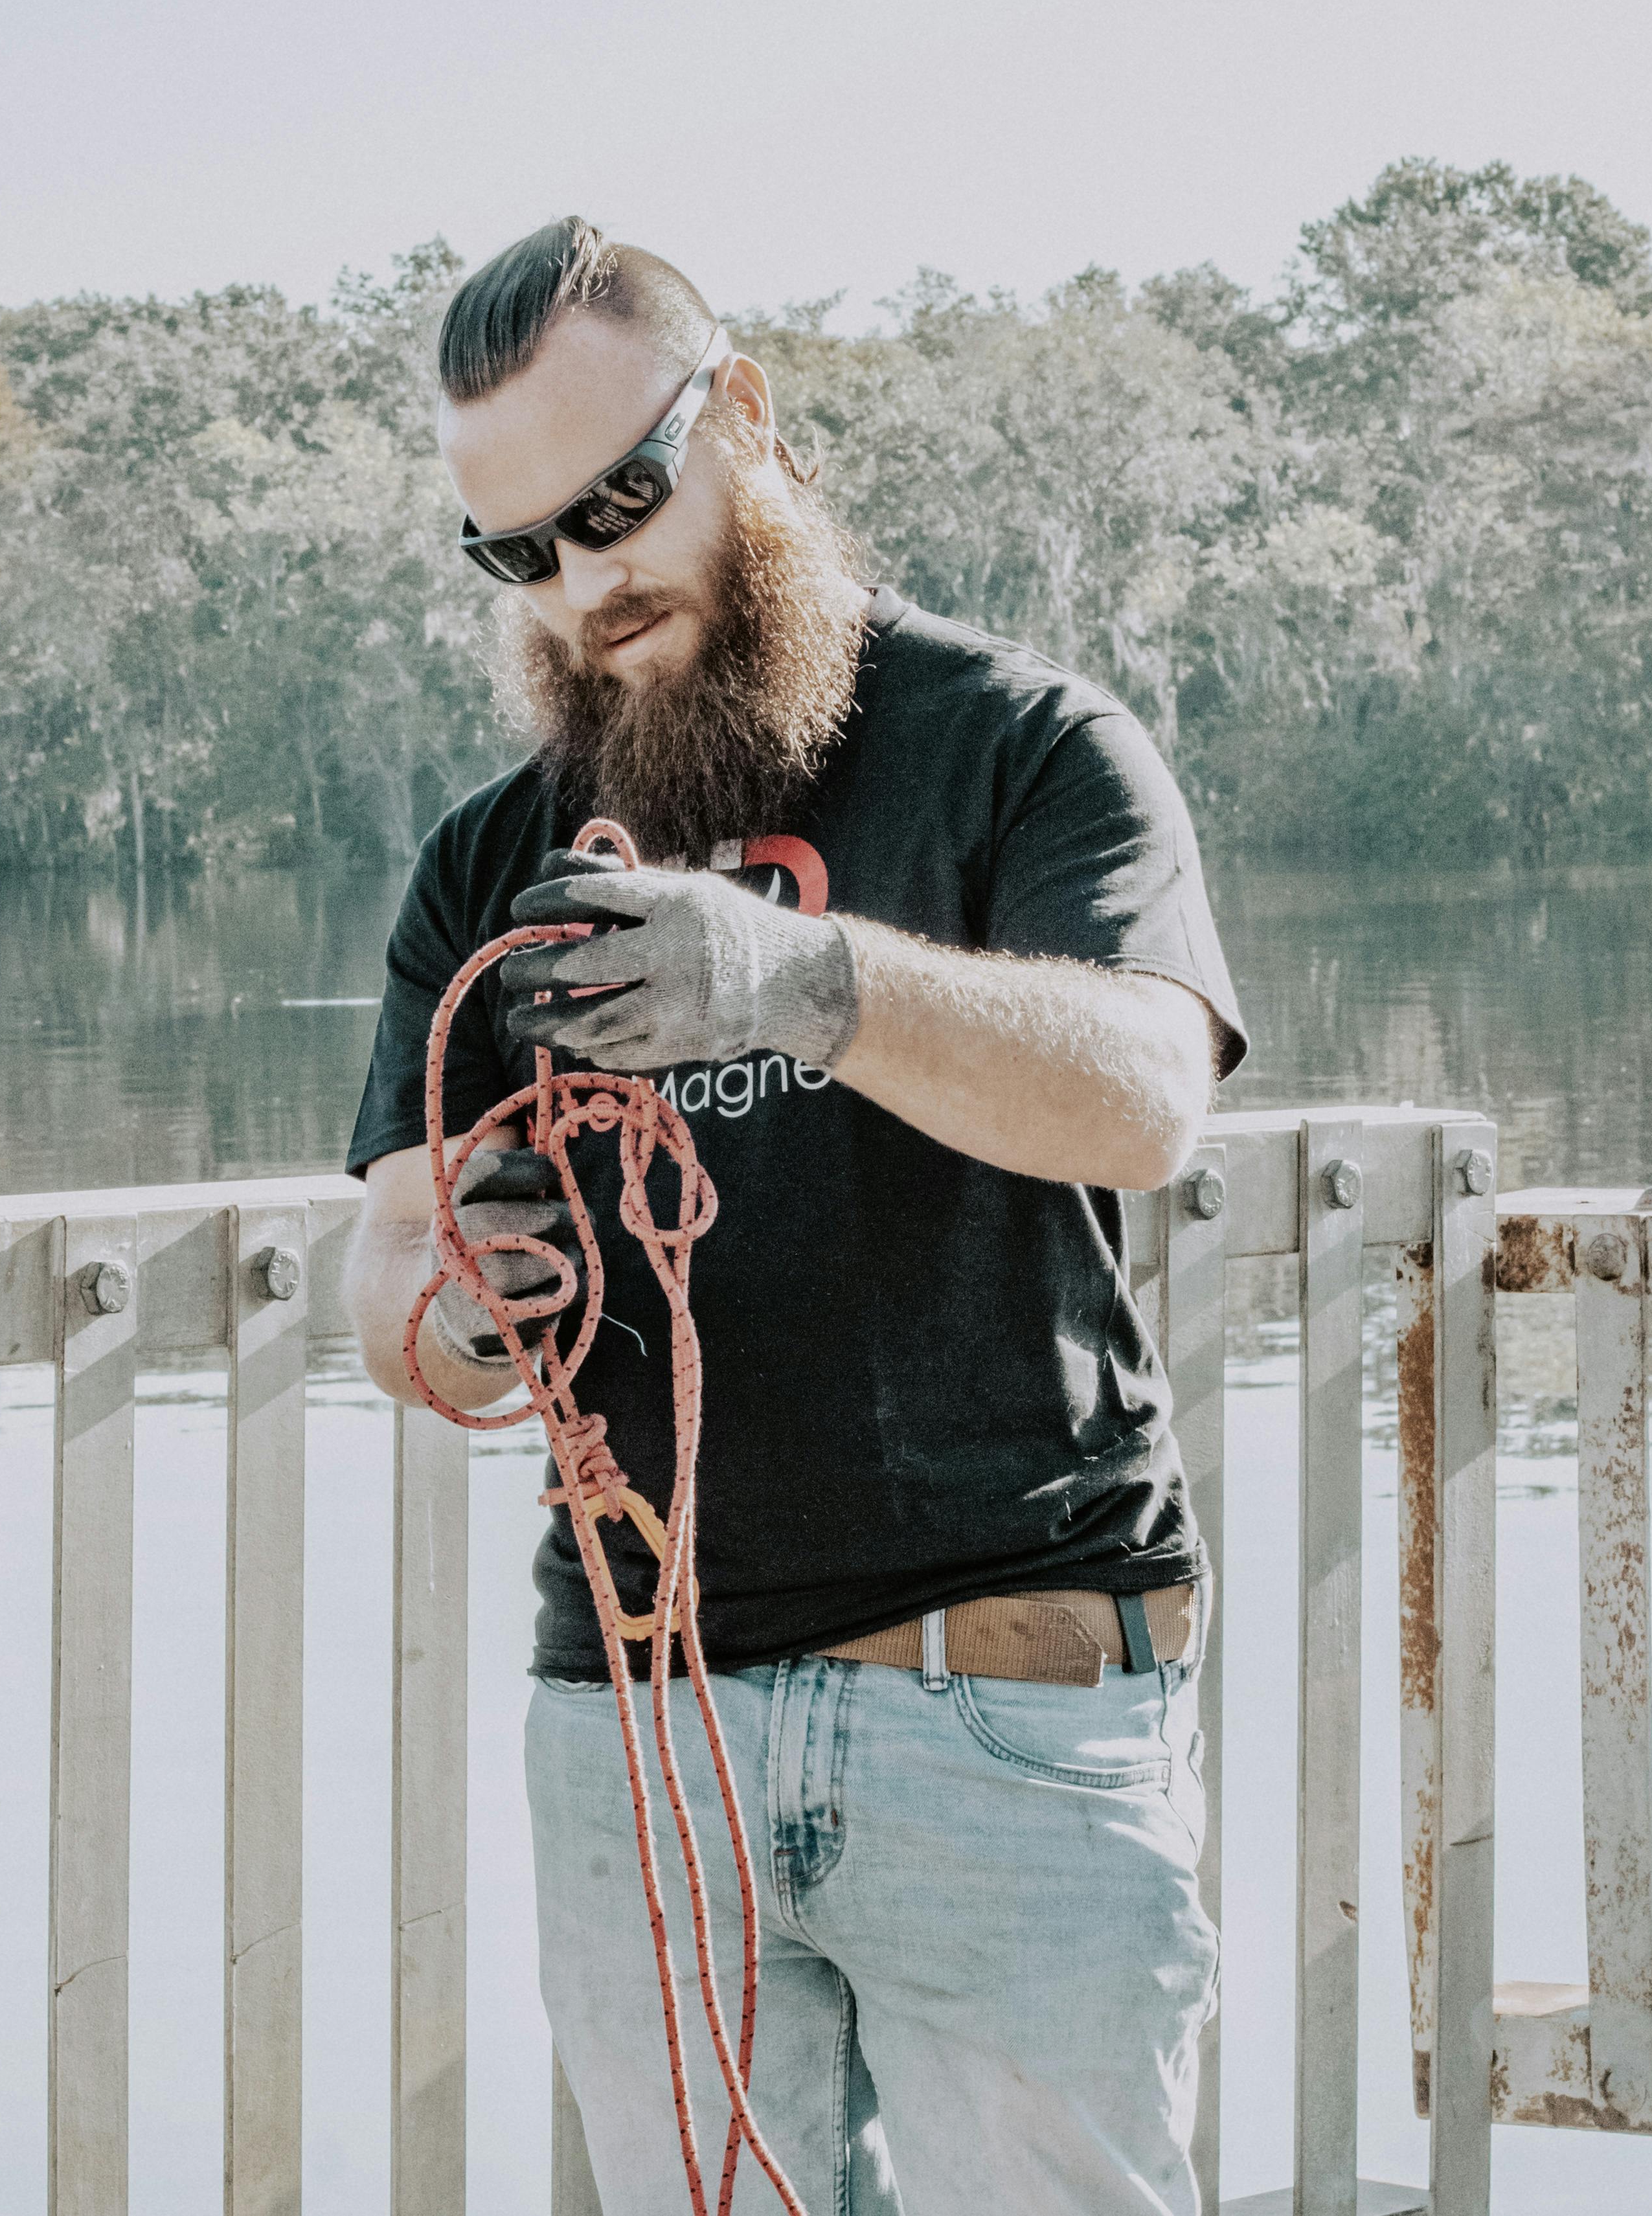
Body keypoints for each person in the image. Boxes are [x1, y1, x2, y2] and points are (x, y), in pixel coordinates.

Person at [343, 219, 1245, 2216]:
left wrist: (803, 983)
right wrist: (468, 1305)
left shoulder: (1027, 745)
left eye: (619, 505)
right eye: (523, 553)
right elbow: (388, 1282)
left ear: (742, 416)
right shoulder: (486, 855)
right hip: (637, 1729)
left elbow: (1142, 1097)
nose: (586, 588)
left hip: (999, 1709)